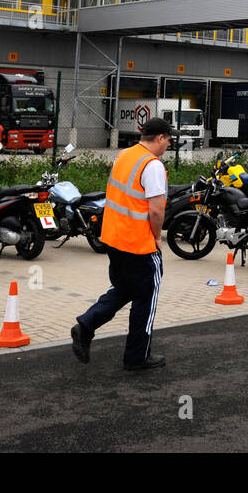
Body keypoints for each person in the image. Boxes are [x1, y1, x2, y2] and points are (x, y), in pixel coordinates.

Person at [71, 117, 171, 371]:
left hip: (115, 240)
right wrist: (158, 237)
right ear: (159, 138)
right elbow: (156, 211)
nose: (169, 145)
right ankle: (136, 357)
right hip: (139, 244)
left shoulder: (124, 155)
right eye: (169, 140)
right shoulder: (153, 165)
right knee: (145, 300)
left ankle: (86, 325)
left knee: (125, 289)